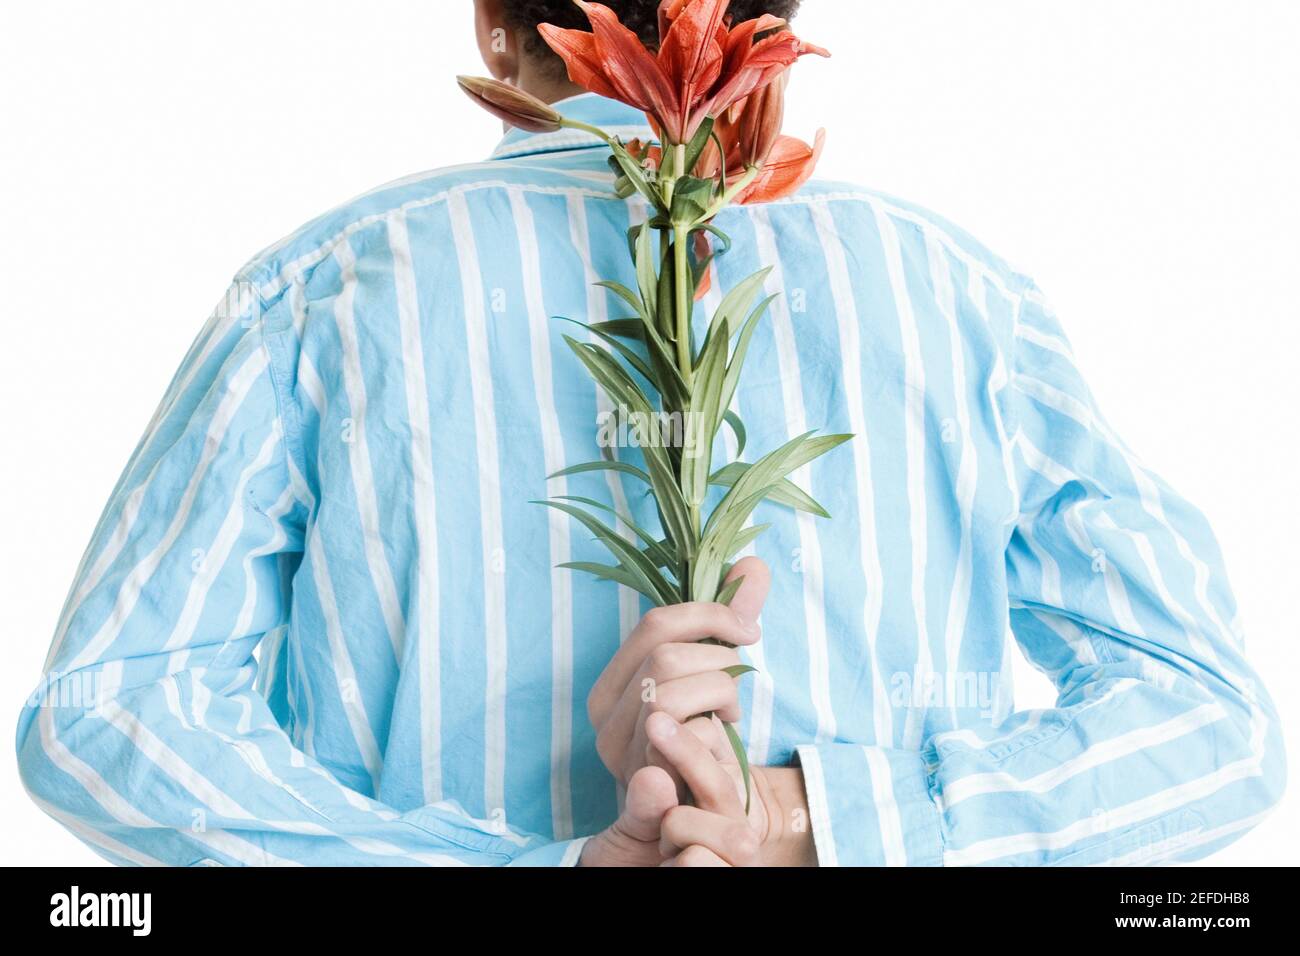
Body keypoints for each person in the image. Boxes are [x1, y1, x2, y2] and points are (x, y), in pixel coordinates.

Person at [17, 0, 1285, 866]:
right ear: (776, 43)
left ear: (492, 28)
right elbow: (1208, 723)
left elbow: (108, 712)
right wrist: (825, 824)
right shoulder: (953, 289)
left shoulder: (332, 280)